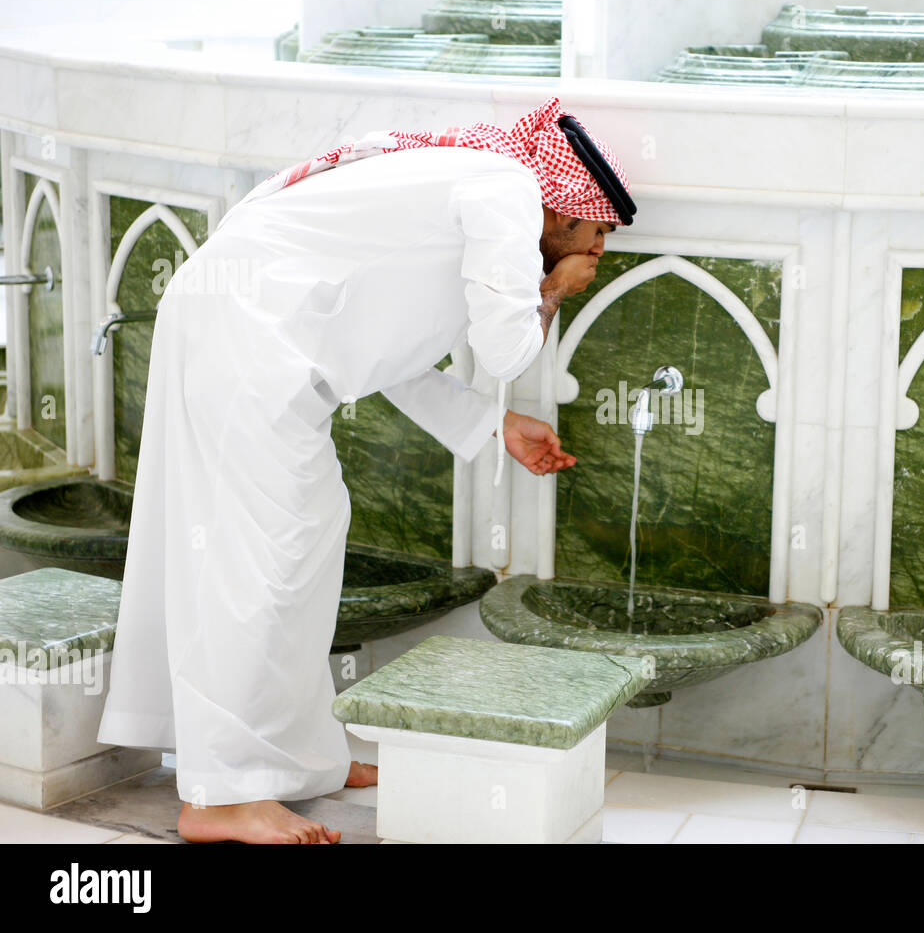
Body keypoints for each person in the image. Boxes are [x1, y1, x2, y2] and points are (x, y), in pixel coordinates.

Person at [96, 98, 635, 843]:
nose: (596, 251)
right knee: (257, 561)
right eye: (594, 229)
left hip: (253, 336)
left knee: (302, 545)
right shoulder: (505, 190)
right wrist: (552, 292)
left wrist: (492, 424)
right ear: (558, 207)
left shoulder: (470, 187)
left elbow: (389, 350)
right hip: (244, 340)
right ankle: (220, 794)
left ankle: (297, 757)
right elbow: (510, 351)